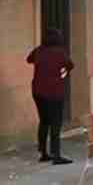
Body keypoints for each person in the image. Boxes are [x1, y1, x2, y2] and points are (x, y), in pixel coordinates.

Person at [27, 28, 74, 164]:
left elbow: (29, 59)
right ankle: (56, 154)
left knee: (44, 121)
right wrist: (63, 71)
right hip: (55, 91)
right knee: (56, 123)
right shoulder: (60, 52)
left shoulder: (39, 50)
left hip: (38, 91)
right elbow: (70, 65)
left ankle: (43, 152)